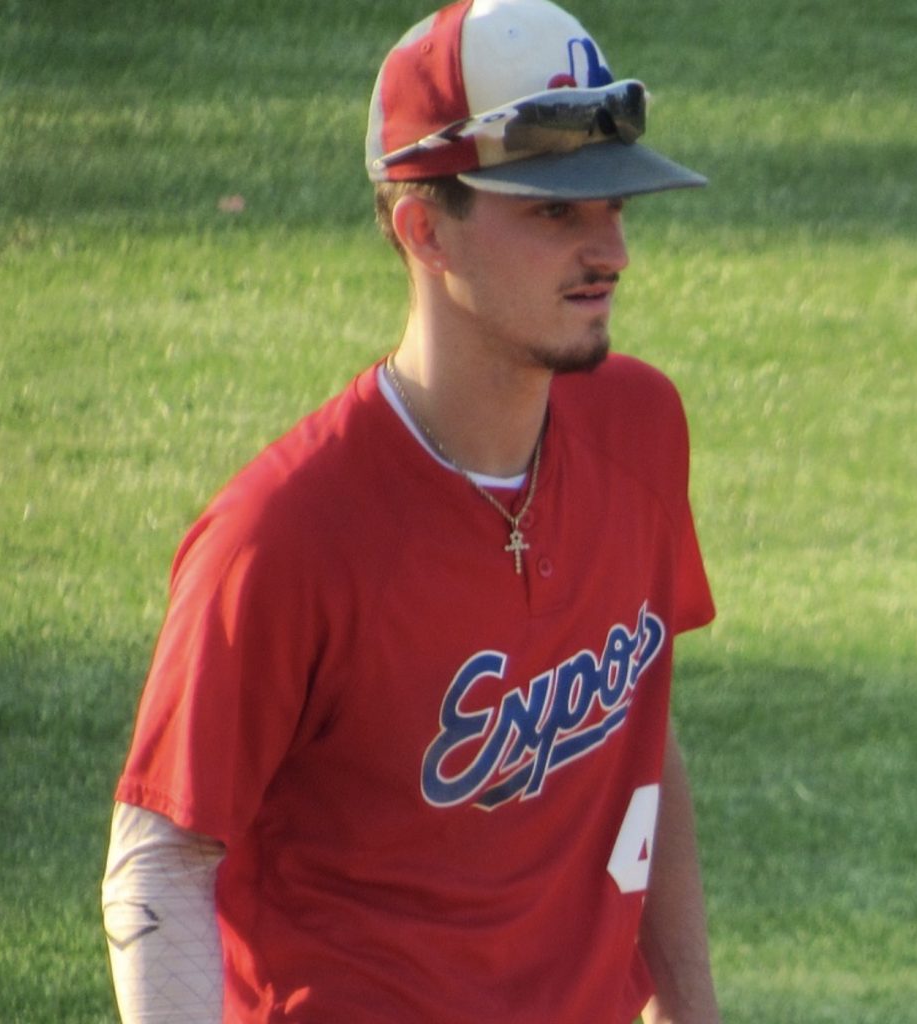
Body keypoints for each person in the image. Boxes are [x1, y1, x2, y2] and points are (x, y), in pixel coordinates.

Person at [101, 1, 722, 1021]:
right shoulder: (283, 535)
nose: (611, 250)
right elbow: (159, 860)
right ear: (424, 228)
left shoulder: (639, 425)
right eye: (554, 212)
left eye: (615, 204)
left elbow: (639, 736)